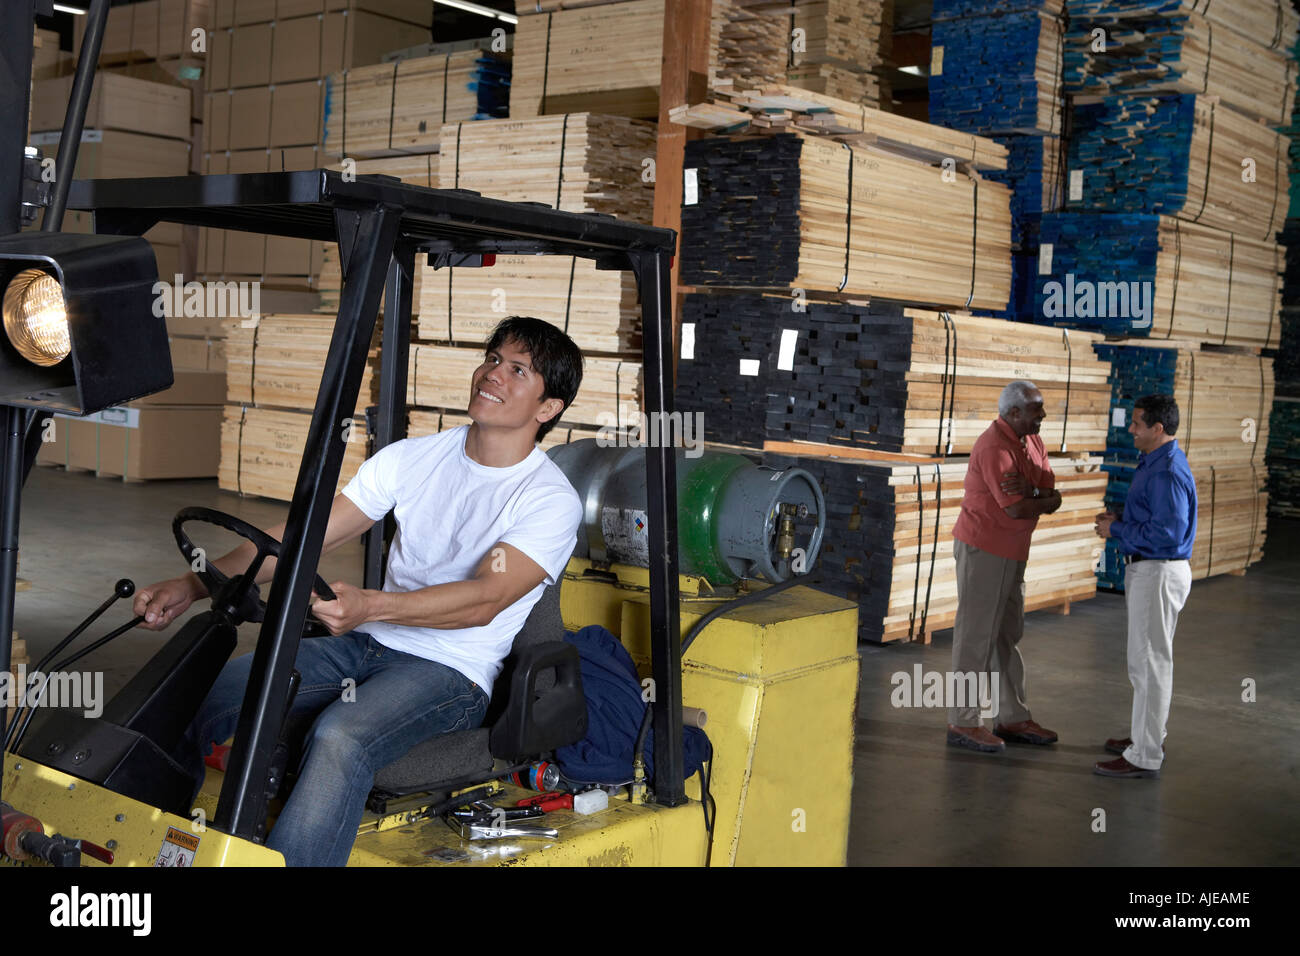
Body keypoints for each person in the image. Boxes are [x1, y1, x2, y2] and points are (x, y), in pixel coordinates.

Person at [133, 316, 584, 865]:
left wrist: (372, 604)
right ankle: (142, 844)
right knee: (204, 689)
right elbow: (304, 538)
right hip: (367, 645)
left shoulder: (547, 499)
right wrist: (196, 582)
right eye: (492, 359)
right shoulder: (414, 458)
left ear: (548, 408)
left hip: (451, 672)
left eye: (518, 370)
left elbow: (485, 599)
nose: (493, 375)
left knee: (340, 737)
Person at [947, 380, 1063, 753]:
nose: (1042, 415)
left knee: (1006, 634)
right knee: (975, 635)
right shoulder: (995, 446)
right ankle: (964, 721)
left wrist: (1036, 494)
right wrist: (1039, 496)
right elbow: (1015, 506)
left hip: (1013, 549)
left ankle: (1012, 716)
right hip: (985, 548)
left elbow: (1051, 491)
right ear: (1013, 412)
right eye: (1036, 409)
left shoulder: (1032, 440)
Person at [1093, 394, 1196, 779]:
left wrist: (1116, 529)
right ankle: (1148, 735)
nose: (1131, 429)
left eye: (1137, 423)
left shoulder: (1166, 471)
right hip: (1153, 572)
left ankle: (1146, 753)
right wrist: (1123, 515)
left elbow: (1167, 534)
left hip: (1158, 572)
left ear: (1158, 428)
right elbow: (1158, 516)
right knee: (1148, 662)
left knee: (1149, 666)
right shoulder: (1156, 461)